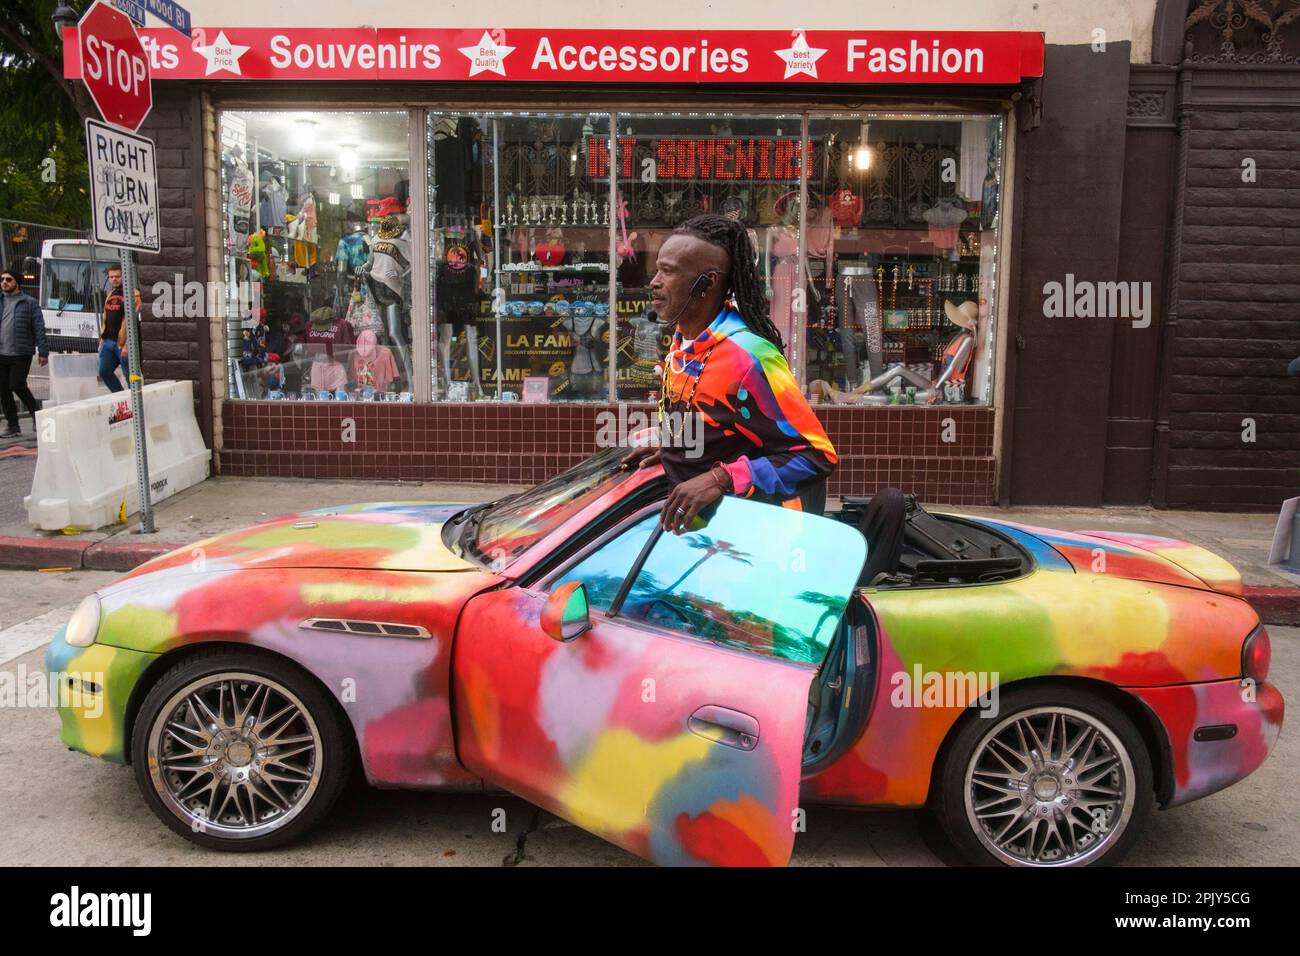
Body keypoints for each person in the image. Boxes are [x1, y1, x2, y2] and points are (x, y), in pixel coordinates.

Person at [623, 214, 837, 533]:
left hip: (750, 545)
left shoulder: (748, 357)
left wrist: (719, 478)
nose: (654, 281)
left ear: (707, 282)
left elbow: (817, 456)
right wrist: (676, 447)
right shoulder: (684, 344)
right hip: (694, 541)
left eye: (668, 271)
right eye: (657, 269)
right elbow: (724, 430)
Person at [0, 269, 48, 436]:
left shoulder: (29, 302)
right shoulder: (0, 301)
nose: (4, 282)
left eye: (8, 279)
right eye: (2, 279)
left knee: (17, 385)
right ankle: (13, 425)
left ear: (17, 283)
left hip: (21, 353)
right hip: (1, 353)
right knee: (3, 389)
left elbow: (39, 328)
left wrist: (43, 351)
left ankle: (37, 414)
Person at [99, 264, 139, 393]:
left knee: (130, 376)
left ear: (124, 276)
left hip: (122, 344)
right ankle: (122, 399)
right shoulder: (110, 294)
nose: (114, 279)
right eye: (111, 277)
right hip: (108, 341)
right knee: (104, 372)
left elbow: (133, 322)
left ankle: (136, 402)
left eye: (117, 276)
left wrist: (127, 345)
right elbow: (105, 318)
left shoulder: (134, 295)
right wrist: (101, 341)